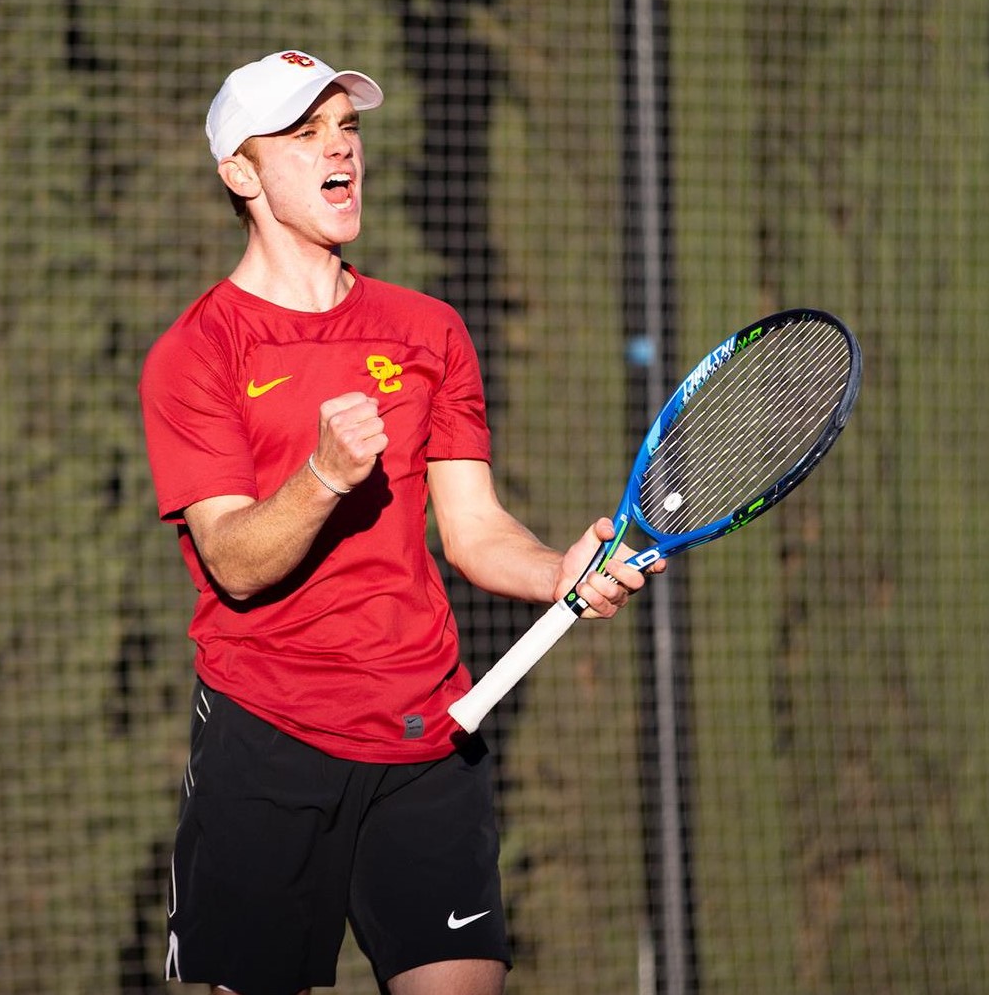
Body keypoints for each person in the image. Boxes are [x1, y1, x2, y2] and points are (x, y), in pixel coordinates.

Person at [138, 49, 659, 995]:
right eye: (305, 135)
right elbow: (234, 562)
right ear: (240, 174)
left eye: (347, 128)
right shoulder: (196, 352)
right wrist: (323, 478)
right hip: (267, 737)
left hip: (428, 737)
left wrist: (556, 572)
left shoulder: (429, 330)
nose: (341, 149)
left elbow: (474, 532)